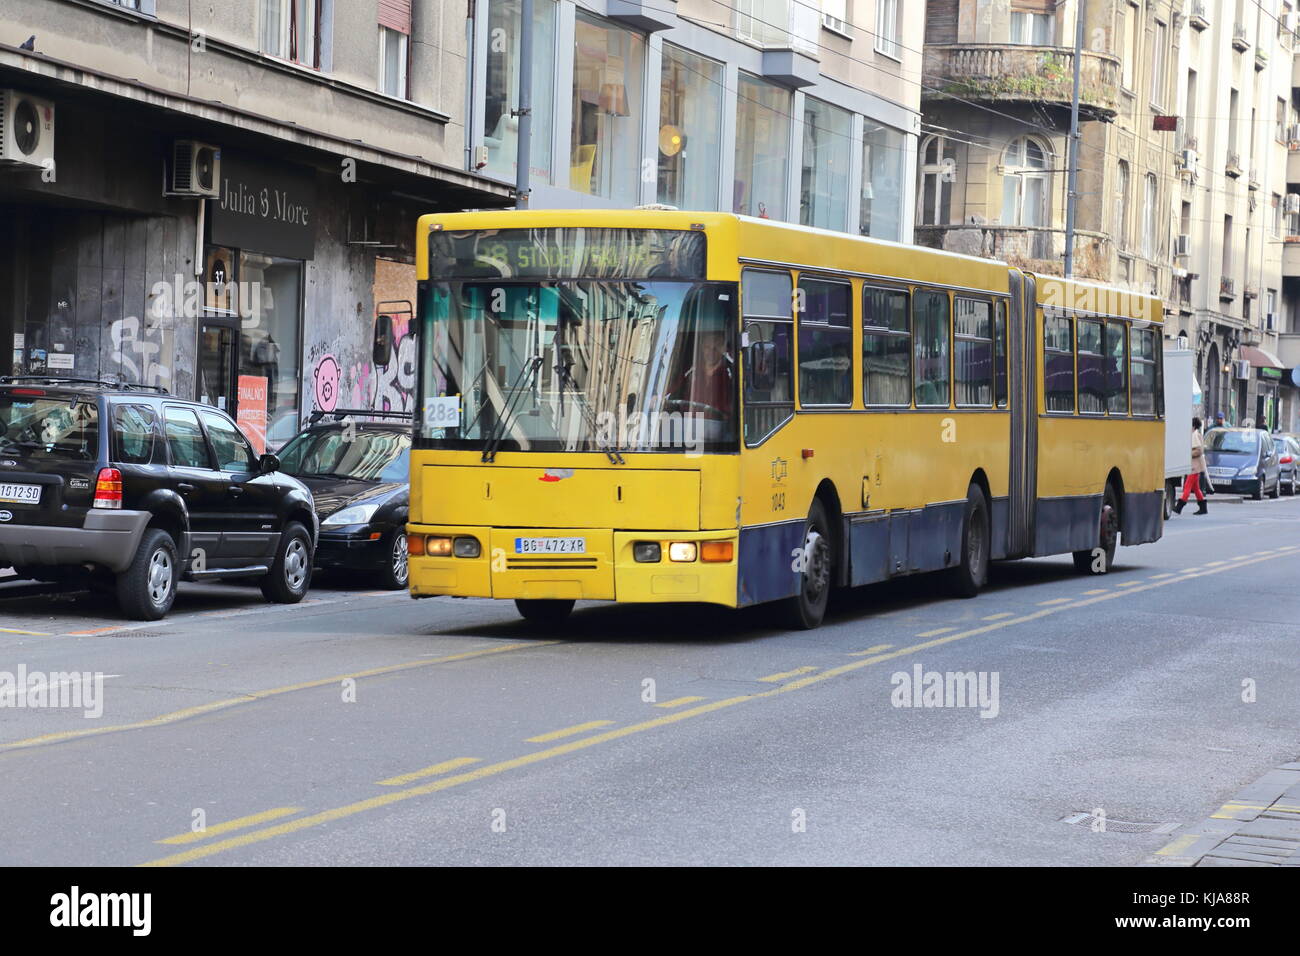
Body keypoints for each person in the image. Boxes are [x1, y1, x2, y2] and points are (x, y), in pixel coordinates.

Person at [1173, 416, 1208, 515]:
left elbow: (1199, 450)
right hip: (1195, 465)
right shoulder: (1195, 434)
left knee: (1187, 486)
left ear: (1193, 426)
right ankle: (1203, 507)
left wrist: (1188, 454)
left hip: (1195, 466)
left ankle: (1179, 506)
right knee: (1196, 488)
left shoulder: (1195, 435)